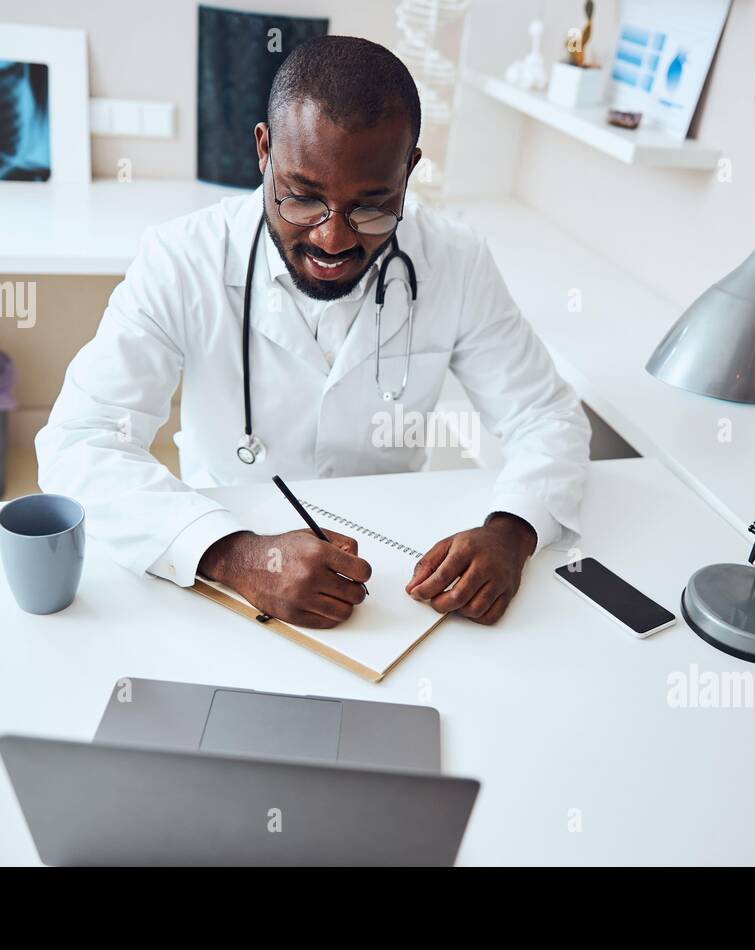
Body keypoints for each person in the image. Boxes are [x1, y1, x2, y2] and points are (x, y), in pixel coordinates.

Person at [37, 36, 590, 629]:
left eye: (371, 207)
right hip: (214, 566)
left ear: (410, 169)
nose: (333, 240)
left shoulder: (456, 260)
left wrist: (514, 530)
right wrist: (235, 554)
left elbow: (546, 416)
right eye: (302, 199)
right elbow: (80, 442)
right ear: (263, 150)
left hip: (394, 583)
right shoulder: (182, 258)